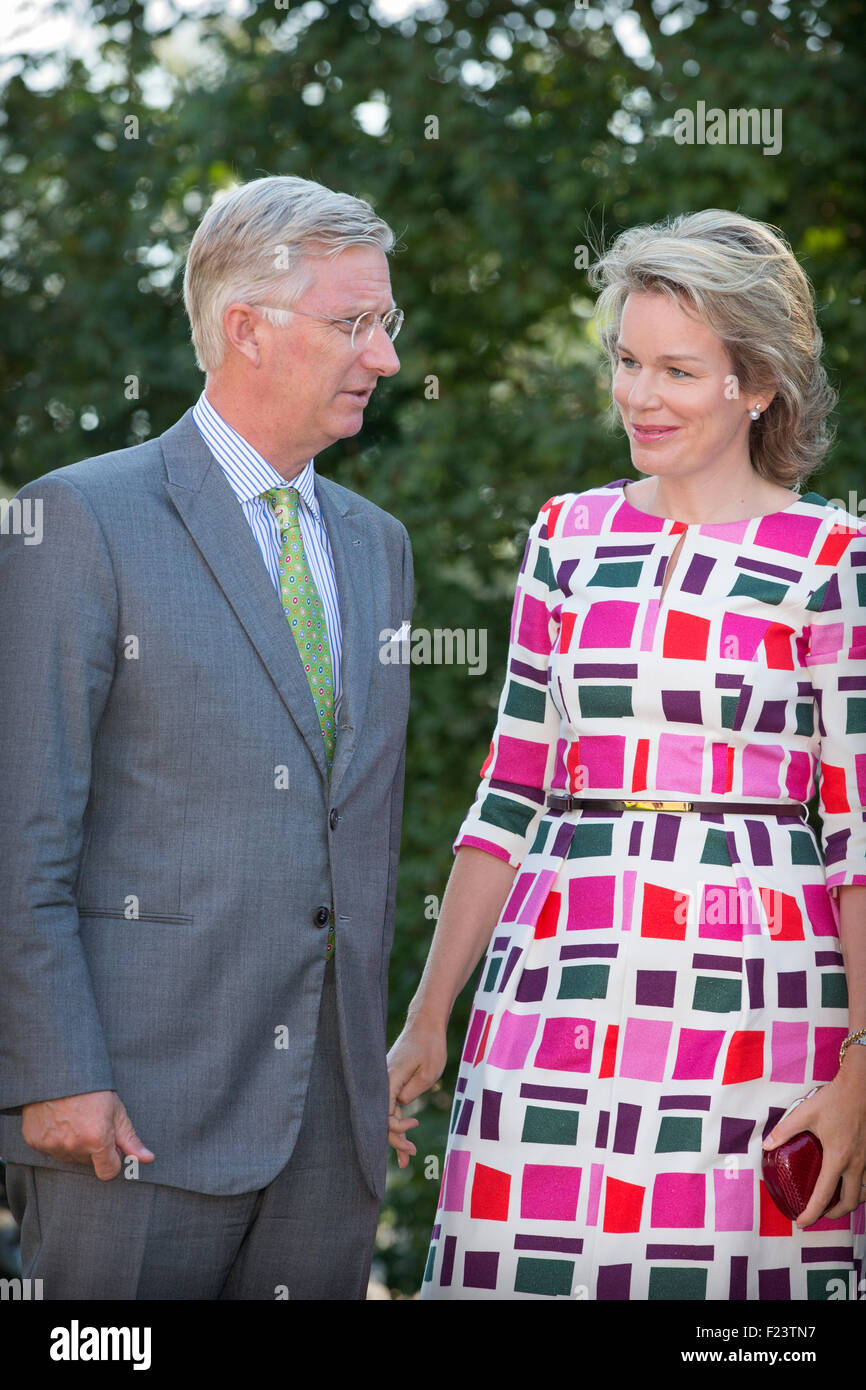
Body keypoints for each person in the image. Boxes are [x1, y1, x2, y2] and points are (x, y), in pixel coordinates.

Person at [387, 209, 866, 1301]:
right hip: (552, 980)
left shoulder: (832, 554)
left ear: (757, 387)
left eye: (676, 370)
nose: (637, 395)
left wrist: (859, 1064)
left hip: (756, 995)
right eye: (625, 360)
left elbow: (855, 836)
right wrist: (426, 1018)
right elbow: (507, 792)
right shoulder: (565, 534)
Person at [0, 174, 412, 1300]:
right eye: (353, 323)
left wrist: (363, 1078)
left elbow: (355, 833)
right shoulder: (78, 518)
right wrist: (55, 1072)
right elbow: (17, 828)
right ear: (246, 329)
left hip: (327, 1134)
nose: (380, 357)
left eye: (386, 324)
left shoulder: (379, 547)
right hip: (128, 1115)